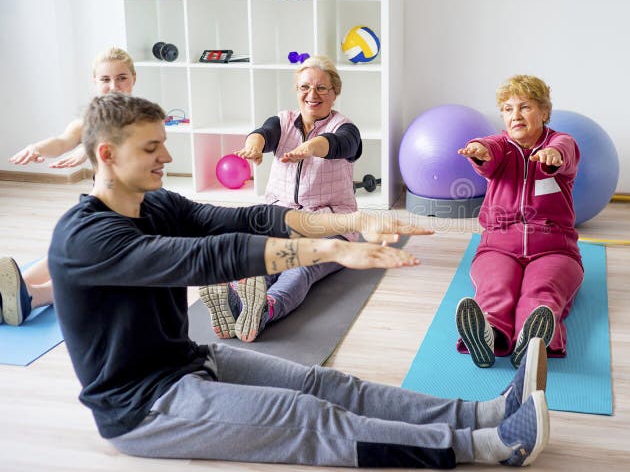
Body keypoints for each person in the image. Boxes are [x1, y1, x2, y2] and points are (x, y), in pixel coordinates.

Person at [48, 92, 550, 468]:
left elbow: (249, 220)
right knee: (308, 417)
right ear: (108, 154)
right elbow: (209, 257)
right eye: (151, 147)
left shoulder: (156, 204)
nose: (167, 157)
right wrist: (329, 250)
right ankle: (487, 445)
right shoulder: (87, 239)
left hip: (189, 360)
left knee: (326, 384)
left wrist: (352, 221)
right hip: (145, 406)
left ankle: (484, 413)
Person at [199, 55, 364, 342]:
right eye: (305, 87)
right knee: (262, 258)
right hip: (282, 218)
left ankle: (265, 309)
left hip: (331, 225)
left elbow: (339, 144)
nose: (312, 95)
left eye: (321, 88)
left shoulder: (345, 128)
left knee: (301, 265)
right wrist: (253, 147)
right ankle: (236, 302)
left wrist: (310, 147)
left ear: (334, 92)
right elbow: (263, 133)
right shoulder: (283, 121)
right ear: (296, 90)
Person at [455, 74, 583, 369]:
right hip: (499, 246)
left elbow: (565, 151)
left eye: (525, 107)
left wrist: (553, 155)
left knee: (542, 291)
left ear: (544, 112)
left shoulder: (561, 143)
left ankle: (532, 340)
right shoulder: (501, 146)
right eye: (508, 109)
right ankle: (488, 335)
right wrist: (479, 149)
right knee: (497, 286)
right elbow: (490, 147)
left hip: (554, 248)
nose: (516, 115)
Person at [1, 47, 136, 326]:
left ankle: (31, 297)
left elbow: (116, 138)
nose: (114, 86)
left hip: (134, 211)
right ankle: (10, 292)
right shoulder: (88, 120)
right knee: (65, 249)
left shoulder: (142, 117)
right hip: (100, 205)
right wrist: (37, 148)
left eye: (122, 78)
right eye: (105, 79)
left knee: (87, 259)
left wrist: (88, 150)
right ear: (95, 82)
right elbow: (62, 141)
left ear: (134, 79)